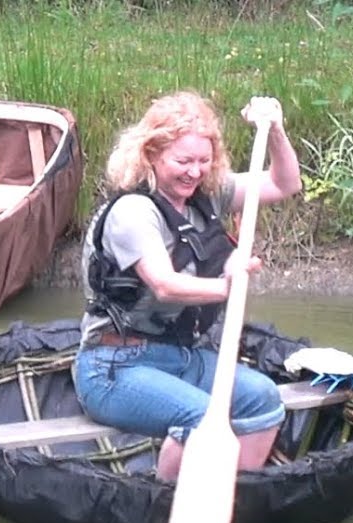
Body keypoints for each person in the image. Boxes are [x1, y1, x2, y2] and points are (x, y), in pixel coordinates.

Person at [74, 91, 303, 482]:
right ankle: (165, 501)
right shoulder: (133, 212)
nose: (194, 172)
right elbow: (164, 285)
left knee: (263, 399)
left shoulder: (207, 196)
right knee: (202, 417)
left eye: (203, 160)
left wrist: (277, 130)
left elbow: (285, 183)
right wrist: (228, 287)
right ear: (151, 155)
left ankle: (233, 495)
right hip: (115, 366)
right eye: (183, 161)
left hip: (182, 356)